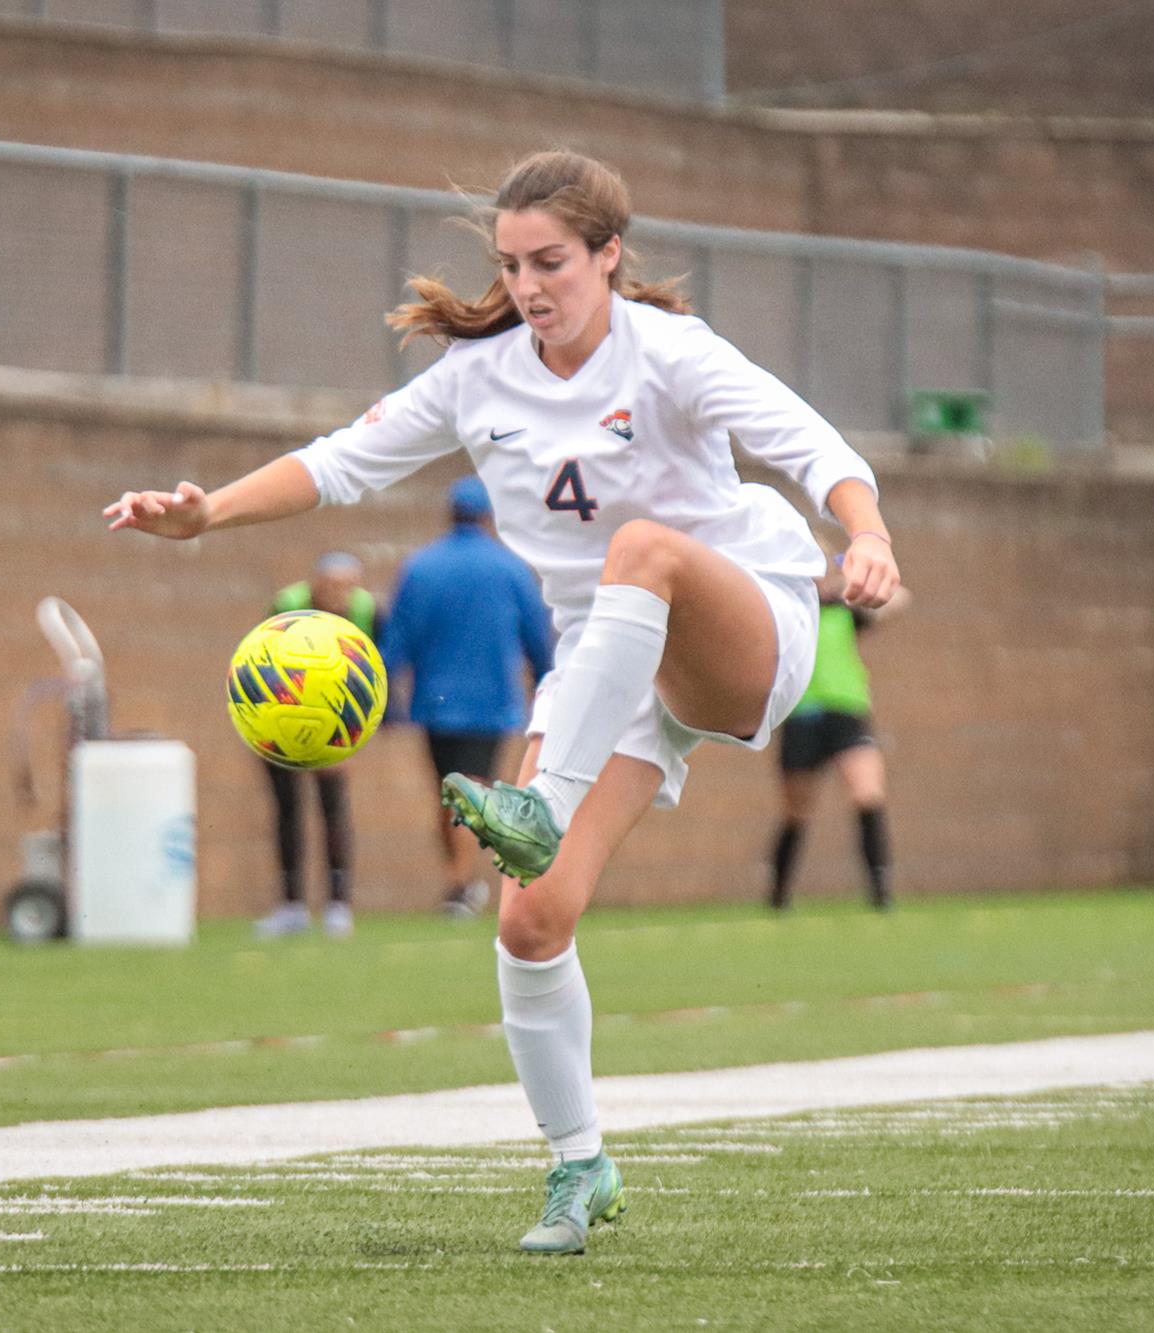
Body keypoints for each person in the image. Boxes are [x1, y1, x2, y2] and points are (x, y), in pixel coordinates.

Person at [105, 150, 900, 1255]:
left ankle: (537, 802)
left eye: (554, 262)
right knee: (528, 921)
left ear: (608, 256)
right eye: (513, 265)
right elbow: (340, 464)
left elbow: (816, 450)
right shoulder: (480, 378)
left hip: (740, 619)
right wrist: (205, 516)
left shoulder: (667, 353)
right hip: (606, 667)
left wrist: (863, 535)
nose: (531, 286)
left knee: (642, 549)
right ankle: (578, 1166)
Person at [381, 476, 555, 919]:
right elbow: (537, 638)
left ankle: (459, 881)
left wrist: (384, 699)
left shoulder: (421, 567)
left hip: (434, 703)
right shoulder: (510, 568)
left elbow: (398, 638)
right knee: (471, 791)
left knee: (450, 793)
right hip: (492, 702)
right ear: (487, 516)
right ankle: (461, 884)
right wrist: (548, 686)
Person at [253, 551, 383, 940]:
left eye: (348, 586)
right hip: (284, 714)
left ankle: (338, 906)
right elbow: (262, 665)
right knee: (287, 808)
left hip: (336, 719)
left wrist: (350, 740)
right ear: (316, 584)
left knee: (334, 806)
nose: (340, 595)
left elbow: (371, 678)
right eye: (333, 586)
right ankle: (291, 904)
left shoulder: (366, 611)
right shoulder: (288, 606)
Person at [768, 566, 912, 911]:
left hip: (847, 714)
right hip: (802, 716)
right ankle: (779, 893)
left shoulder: (845, 610)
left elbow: (900, 599)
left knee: (867, 794)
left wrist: (853, 581)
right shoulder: (787, 612)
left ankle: (881, 891)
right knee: (796, 811)